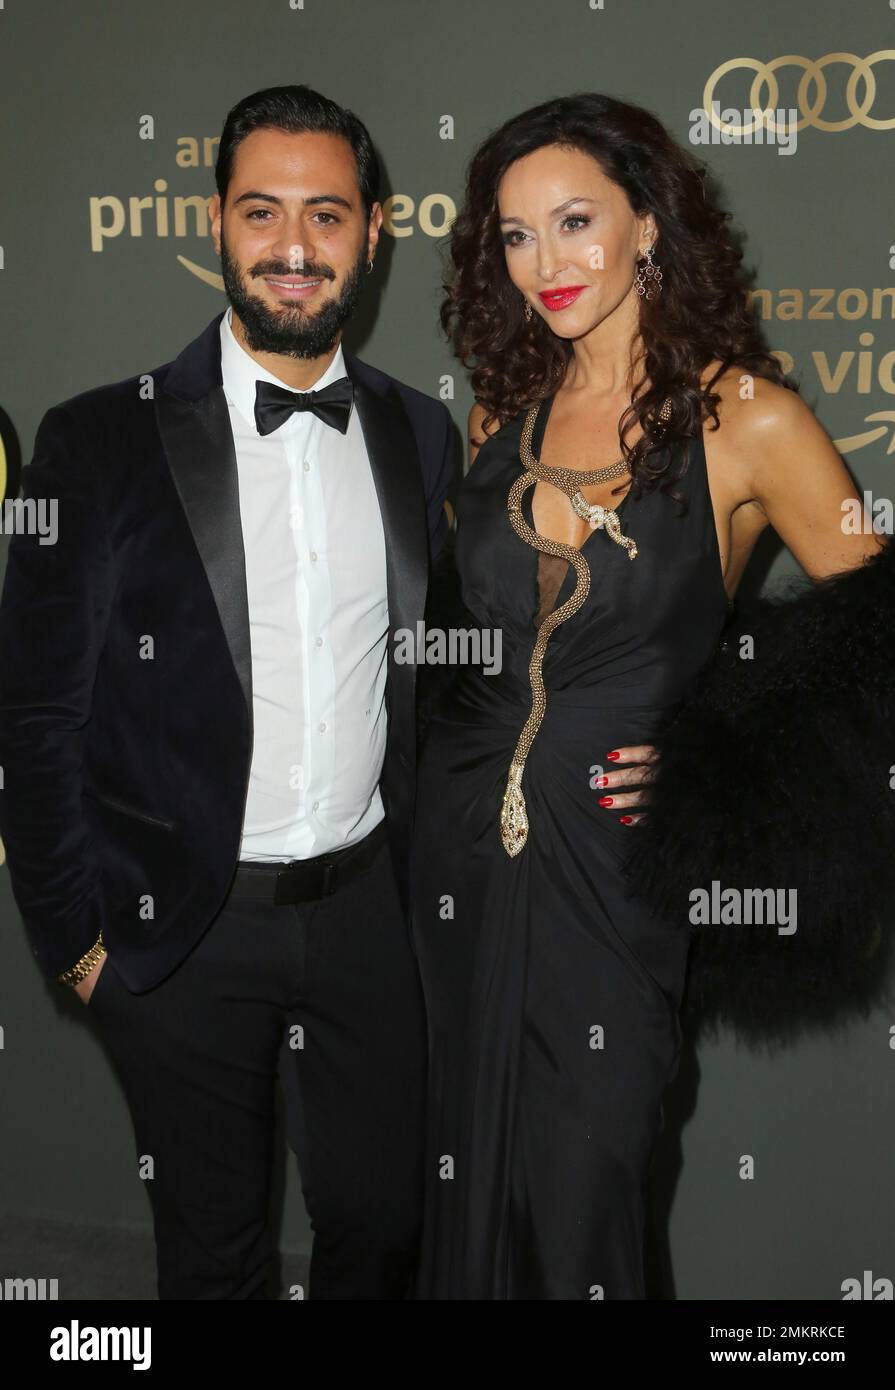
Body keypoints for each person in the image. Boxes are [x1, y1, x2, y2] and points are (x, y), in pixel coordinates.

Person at [409, 92, 886, 1300]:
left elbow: (877, 641)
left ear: (648, 225)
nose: (545, 264)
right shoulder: (496, 411)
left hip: (614, 879)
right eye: (514, 235)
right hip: (459, 860)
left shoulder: (752, 419)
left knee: (583, 1198)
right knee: (462, 1186)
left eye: (574, 222)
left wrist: (725, 764)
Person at [0, 84, 454, 1300]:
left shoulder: (422, 437)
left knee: (385, 1223)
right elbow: (33, 718)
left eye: (325, 215)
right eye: (262, 213)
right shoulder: (97, 441)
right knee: (213, 1255)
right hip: (180, 928)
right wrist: (77, 948)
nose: (293, 249)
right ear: (215, 223)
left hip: (369, 913)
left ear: (373, 231)